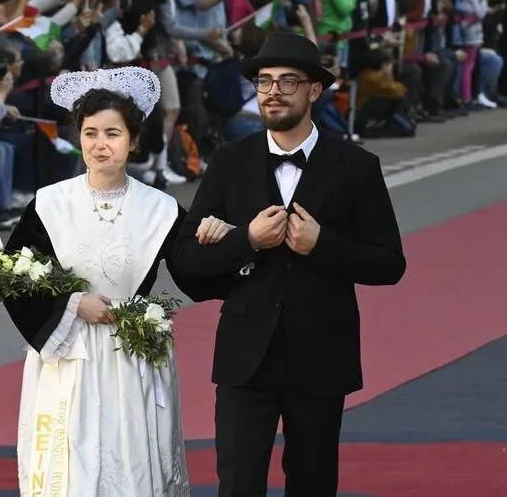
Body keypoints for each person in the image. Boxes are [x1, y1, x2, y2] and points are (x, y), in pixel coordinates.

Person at [171, 31, 407, 497]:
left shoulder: (356, 166)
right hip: (245, 356)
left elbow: (390, 264)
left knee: (314, 484)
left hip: (322, 353)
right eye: (264, 81)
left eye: (287, 81)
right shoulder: (228, 162)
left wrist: (323, 245)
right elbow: (187, 261)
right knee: (238, 486)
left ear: (314, 90)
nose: (273, 91)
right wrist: (246, 240)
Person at [1, 66, 224, 497]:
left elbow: (193, 272)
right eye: (90, 133)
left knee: (133, 463)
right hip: (67, 354)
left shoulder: (160, 208)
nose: (100, 145)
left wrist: (225, 241)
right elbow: (13, 276)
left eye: (112, 133)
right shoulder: (50, 204)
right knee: (70, 469)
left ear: (134, 140)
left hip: (132, 355)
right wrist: (71, 303)